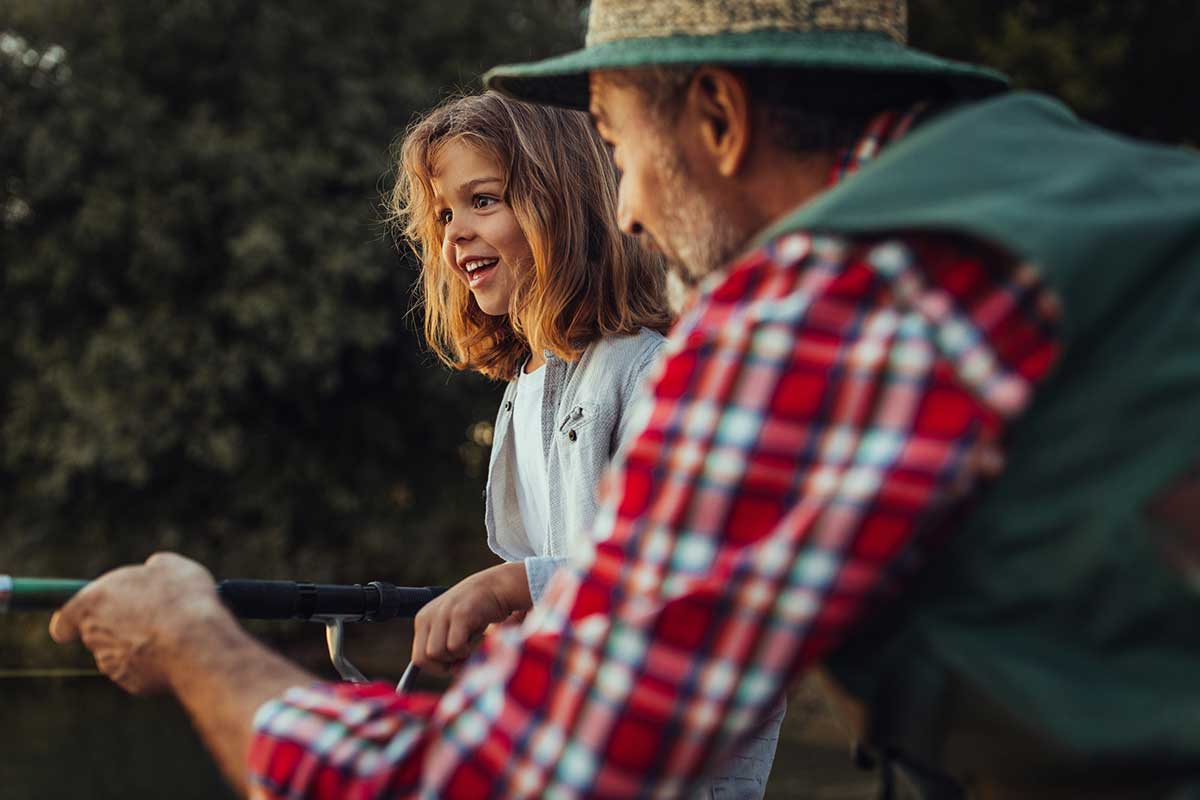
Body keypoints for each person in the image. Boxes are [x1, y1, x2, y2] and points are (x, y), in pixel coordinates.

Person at [50, 1, 1200, 798]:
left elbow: (520, 775)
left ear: (718, 118)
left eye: (615, 144)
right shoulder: (1091, 186)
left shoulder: (819, 306)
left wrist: (199, 646)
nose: (629, 206)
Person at [391, 91, 782, 795]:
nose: (454, 236)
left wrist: (512, 585)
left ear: (564, 205)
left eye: (483, 201)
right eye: (444, 214)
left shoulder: (651, 371)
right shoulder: (523, 389)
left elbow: (679, 581)